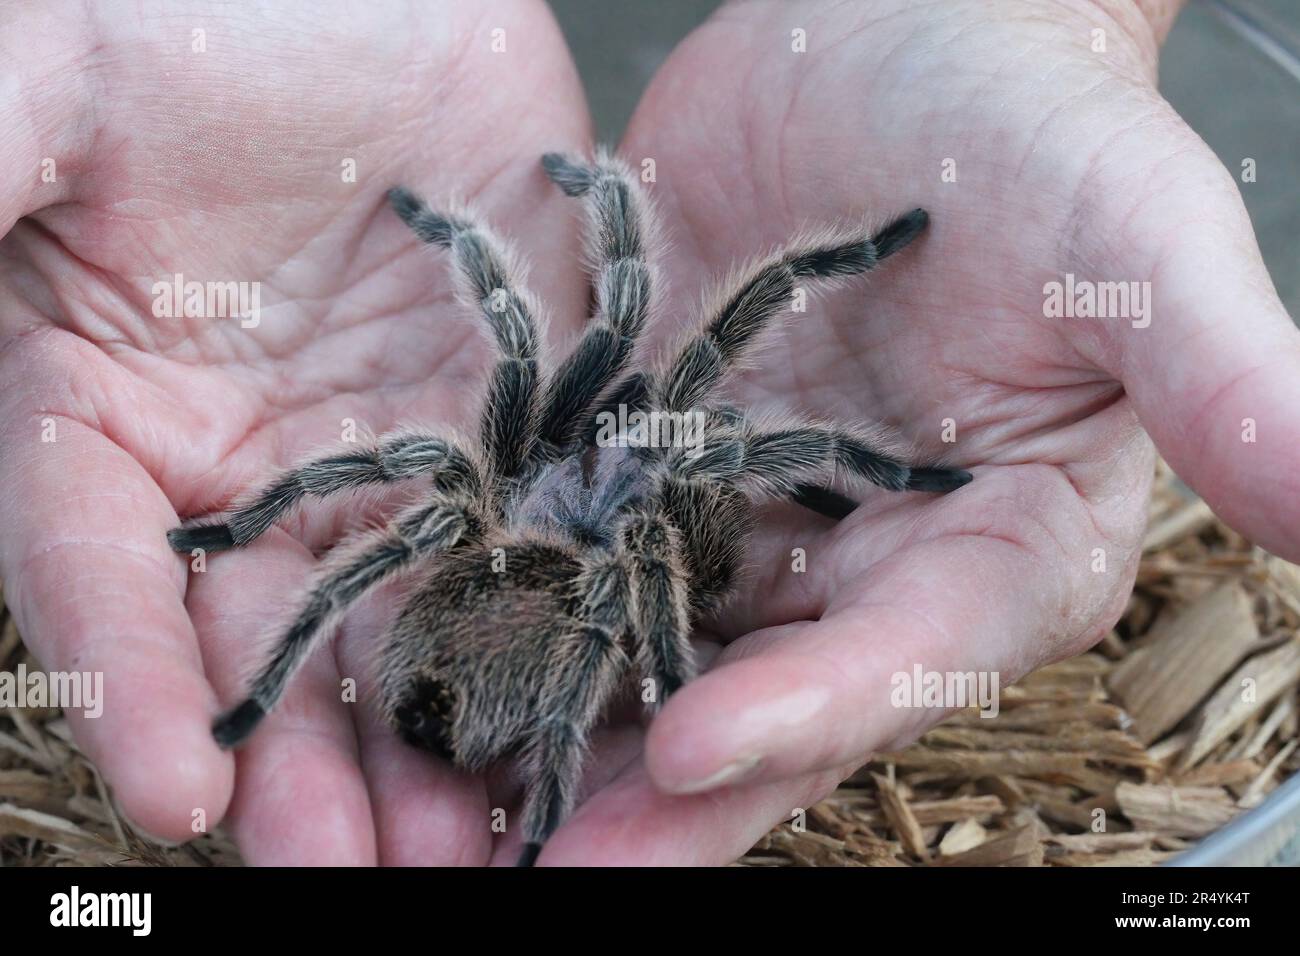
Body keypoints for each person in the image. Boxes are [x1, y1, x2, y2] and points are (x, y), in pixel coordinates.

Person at [1, 0, 1295, 865]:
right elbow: (543, 335)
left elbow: (666, 441)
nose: (616, 420)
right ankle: (497, 761)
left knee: (495, 461)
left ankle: (478, 754)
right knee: (493, 428)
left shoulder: (632, 505)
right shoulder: (559, 483)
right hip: (532, 593)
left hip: (567, 576)